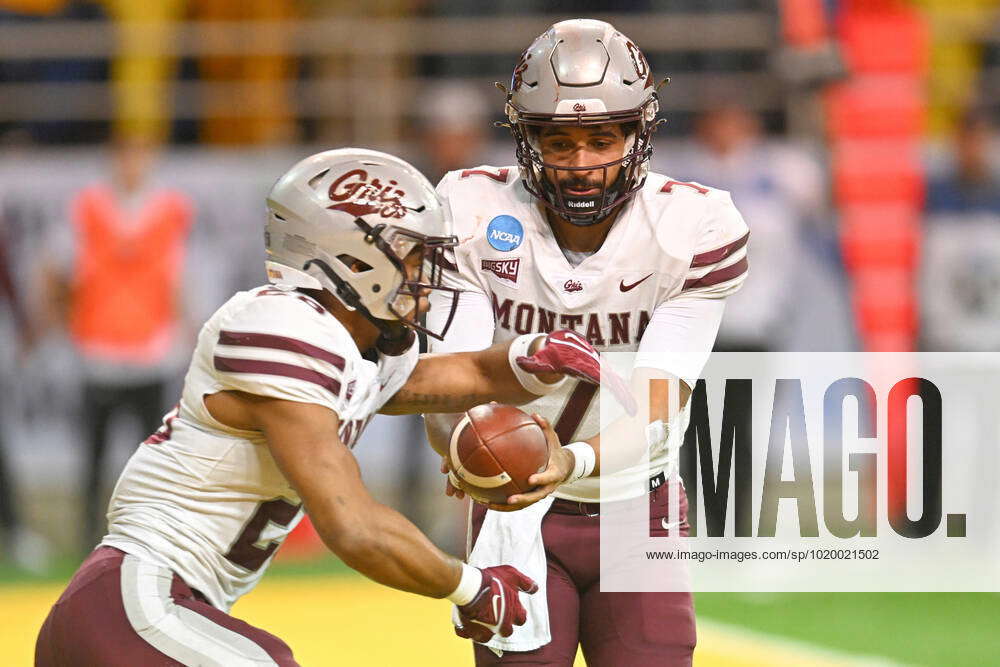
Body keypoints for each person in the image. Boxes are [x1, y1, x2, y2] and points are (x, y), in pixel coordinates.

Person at [35, 148, 615, 666]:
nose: (425, 277)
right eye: (411, 257)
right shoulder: (284, 327)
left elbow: (447, 377)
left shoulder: (346, 341)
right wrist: (471, 587)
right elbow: (353, 526)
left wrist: (531, 356)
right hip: (138, 602)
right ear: (350, 259)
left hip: (149, 609)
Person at [424, 20, 749, 666]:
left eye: (601, 139)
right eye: (559, 140)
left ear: (638, 135)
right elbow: (450, 377)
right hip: (514, 511)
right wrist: (464, 442)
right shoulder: (471, 210)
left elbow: (658, 402)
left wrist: (568, 459)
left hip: (637, 503)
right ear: (527, 139)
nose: (579, 164)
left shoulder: (693, 227)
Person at [40, 136, 195, 553]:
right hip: (98, 349)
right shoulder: (87, 208)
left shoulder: (170, 209)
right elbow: (54, 269)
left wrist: (186, 330)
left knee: (151, 459)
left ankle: (147, 537)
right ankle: (89, 538)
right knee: (94, 455)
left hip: (153, 351)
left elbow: (177, 275)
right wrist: (58, 319)